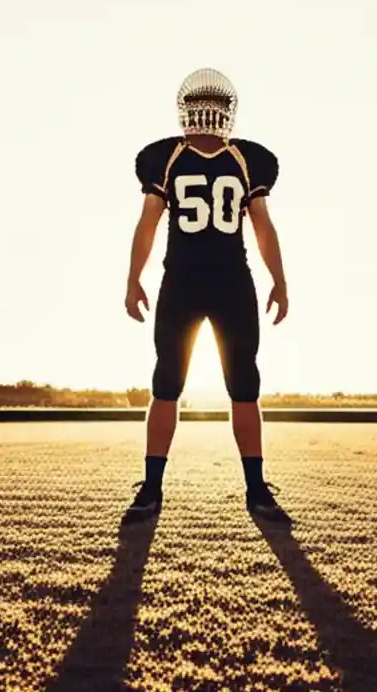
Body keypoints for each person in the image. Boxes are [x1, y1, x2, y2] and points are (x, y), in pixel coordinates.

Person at [121, 68, 291, 526]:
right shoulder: (240, 158)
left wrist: (134, 277)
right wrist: (278, 278)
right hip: (221, 283)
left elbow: (148, 224)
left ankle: (239, 489)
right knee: (176, 385)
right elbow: (262, 227)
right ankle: (169, 488)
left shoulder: (171, 157)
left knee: (230, 387)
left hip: (193, 283)